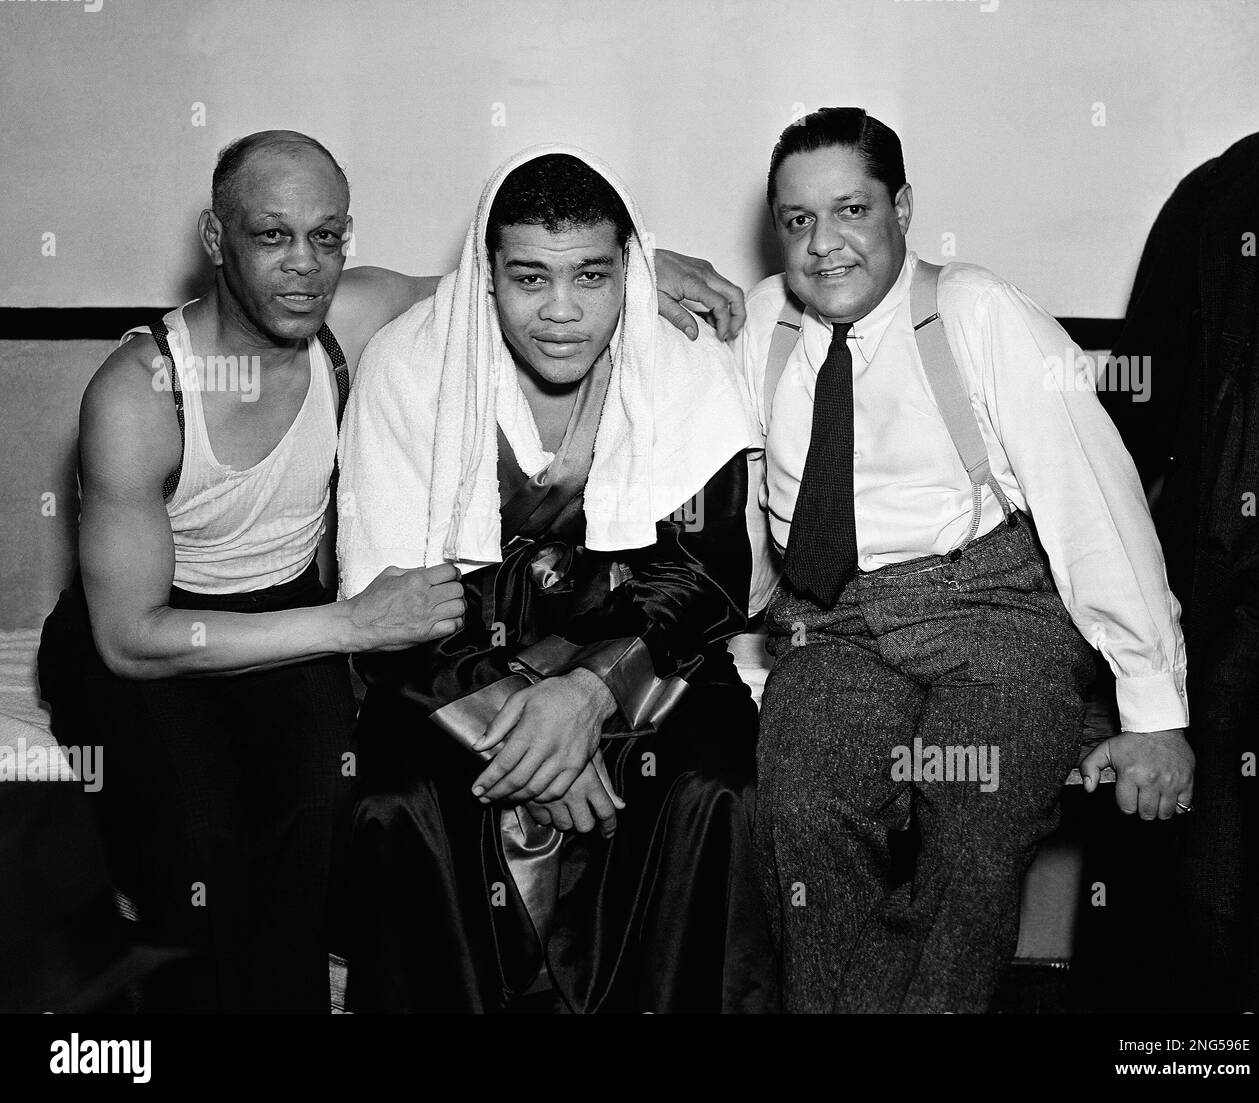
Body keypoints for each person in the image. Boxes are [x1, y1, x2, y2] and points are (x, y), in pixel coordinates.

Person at [36, 130, 746, 1013]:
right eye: (271, 235)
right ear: (216, 237)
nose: (303, 265)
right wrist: (349, 623)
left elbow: (492, 276)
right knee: (203, 836)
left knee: (325, 806)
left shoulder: (344, 315)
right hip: (152, 628)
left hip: (284, 609)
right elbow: (129, 637)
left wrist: (641, 268)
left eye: (326, 236)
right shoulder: (139, 392)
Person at [740, 108, 1195, 1013]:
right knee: (801, 809)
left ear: (902, 209)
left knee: (976, 824)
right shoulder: (762, 322)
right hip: (833, 621)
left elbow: (1094, 506)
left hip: (991, 611)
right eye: (798, 220)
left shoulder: (978, 311)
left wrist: (1153, 706)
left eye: (851, 210)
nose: (824, 244)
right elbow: (732, 487)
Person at [336, 145, 777, 1013]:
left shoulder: (683, 362)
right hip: (455, 673)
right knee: (397, 802)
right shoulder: (408, 367)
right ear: (486, 275)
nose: (563, 311)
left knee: (720, 792)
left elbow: (707, 573)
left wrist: (588, 692)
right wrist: (535, 736)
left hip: (644, 658)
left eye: (592, 276)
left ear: (629, 272)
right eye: (530, 278)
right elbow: (393, 611)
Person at [1101, 112, 1259, 1012]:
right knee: (1206, 918)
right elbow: (1127, 430)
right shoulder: (1223, 196)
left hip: (1240, 617)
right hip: (1235, 616)